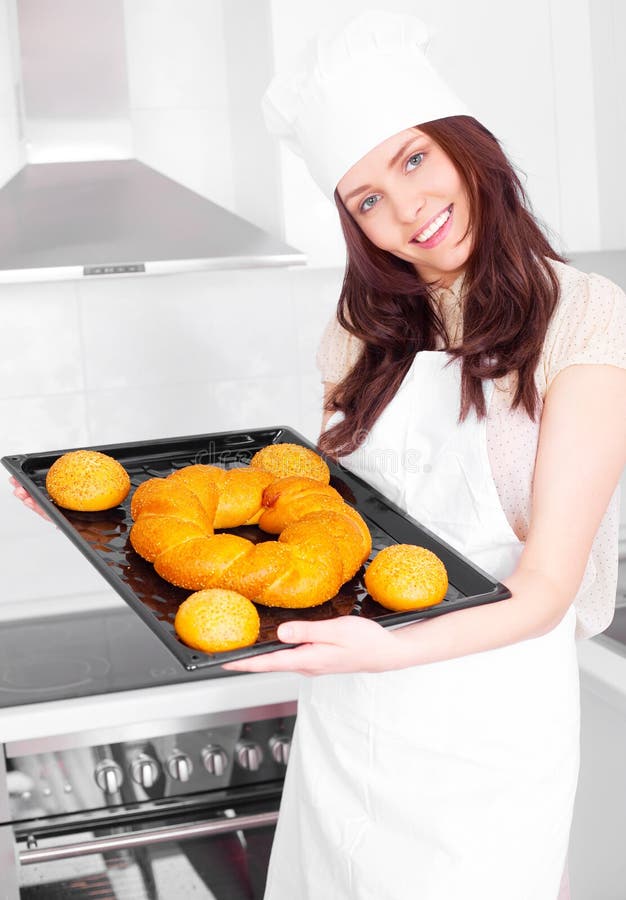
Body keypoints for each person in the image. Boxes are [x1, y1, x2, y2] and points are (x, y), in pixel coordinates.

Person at [220, 10, 626, 900]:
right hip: (352, 707)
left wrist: (389, 654)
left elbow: (548, 586)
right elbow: (319, 518)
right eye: (366, 198)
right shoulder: (359, 333)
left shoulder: (585, 316)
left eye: (413, 160)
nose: (406, 210)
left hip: (488, 719)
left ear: (465, 148)